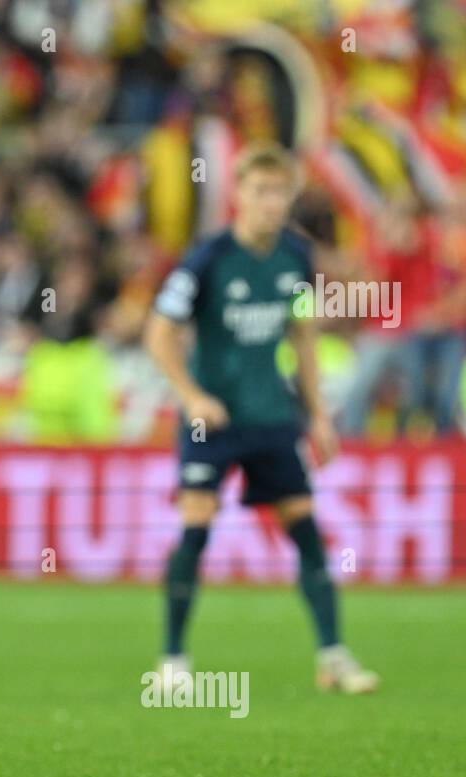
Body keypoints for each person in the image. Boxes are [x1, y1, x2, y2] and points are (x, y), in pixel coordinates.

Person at [143, 142, 379, 695]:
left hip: (271, 415)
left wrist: (318, 415)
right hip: (214, 420)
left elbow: (303, 334)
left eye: (280, 193)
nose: (271, 203)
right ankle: (173, 660)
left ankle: (333, 657)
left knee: (306, 531)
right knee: (196, 527)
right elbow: (158, 333)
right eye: (260, 191)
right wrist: (191, 395)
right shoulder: (208, 259)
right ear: (239, 196)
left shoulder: (296, 257)